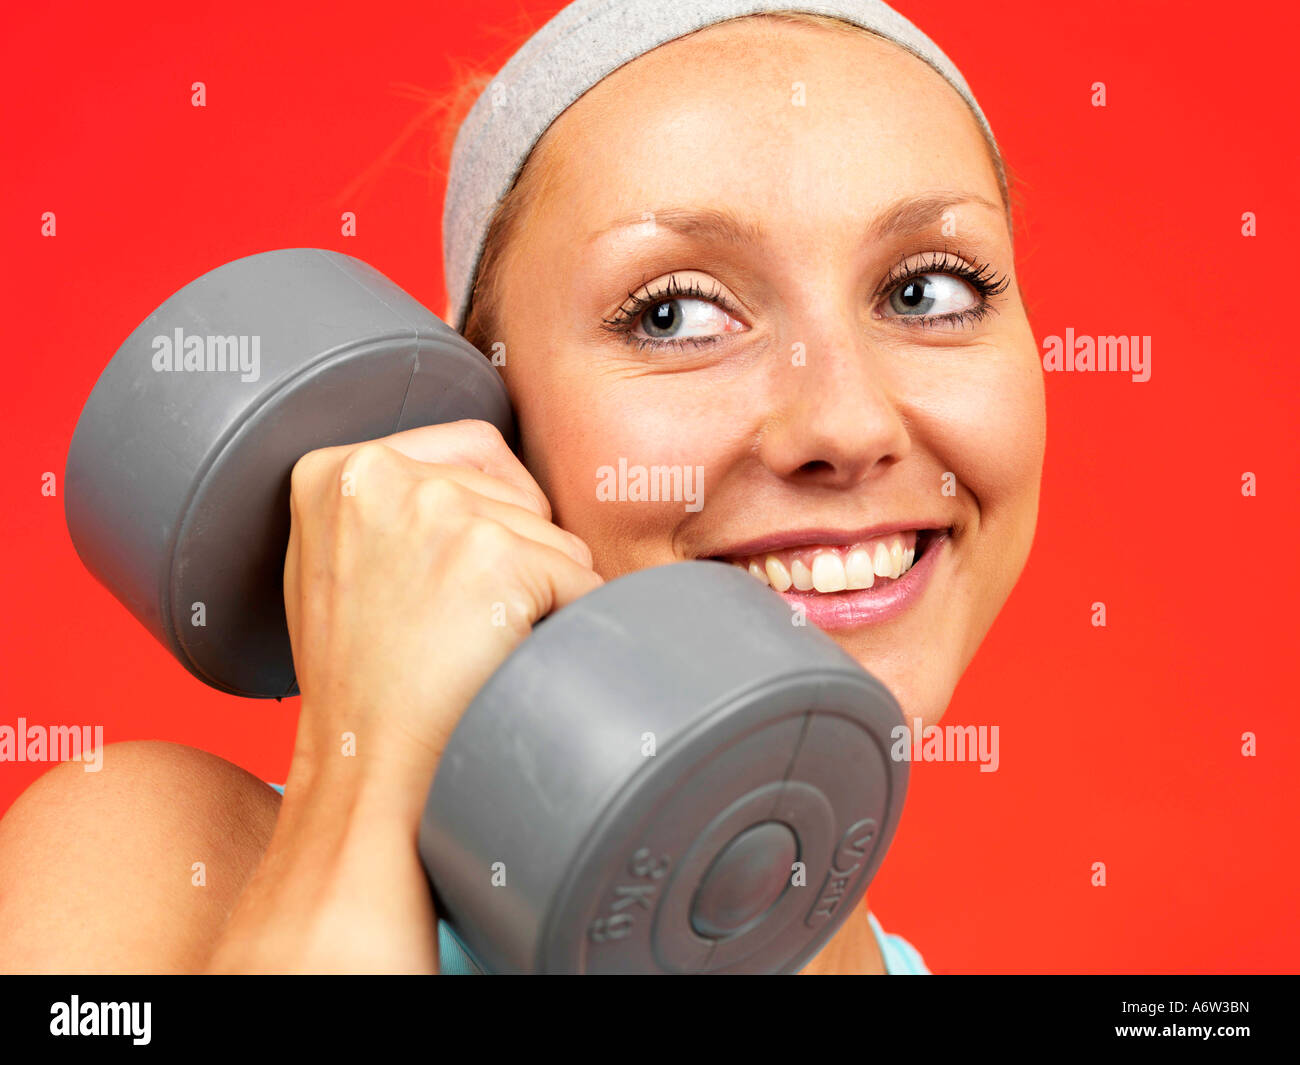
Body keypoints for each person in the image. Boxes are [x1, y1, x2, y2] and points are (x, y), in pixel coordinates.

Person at [0, 0, 1044, 975]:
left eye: (929, 291)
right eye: (675, 315)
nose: (847, 426)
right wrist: (361, 794)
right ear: (473, 432)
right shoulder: (156, 866)